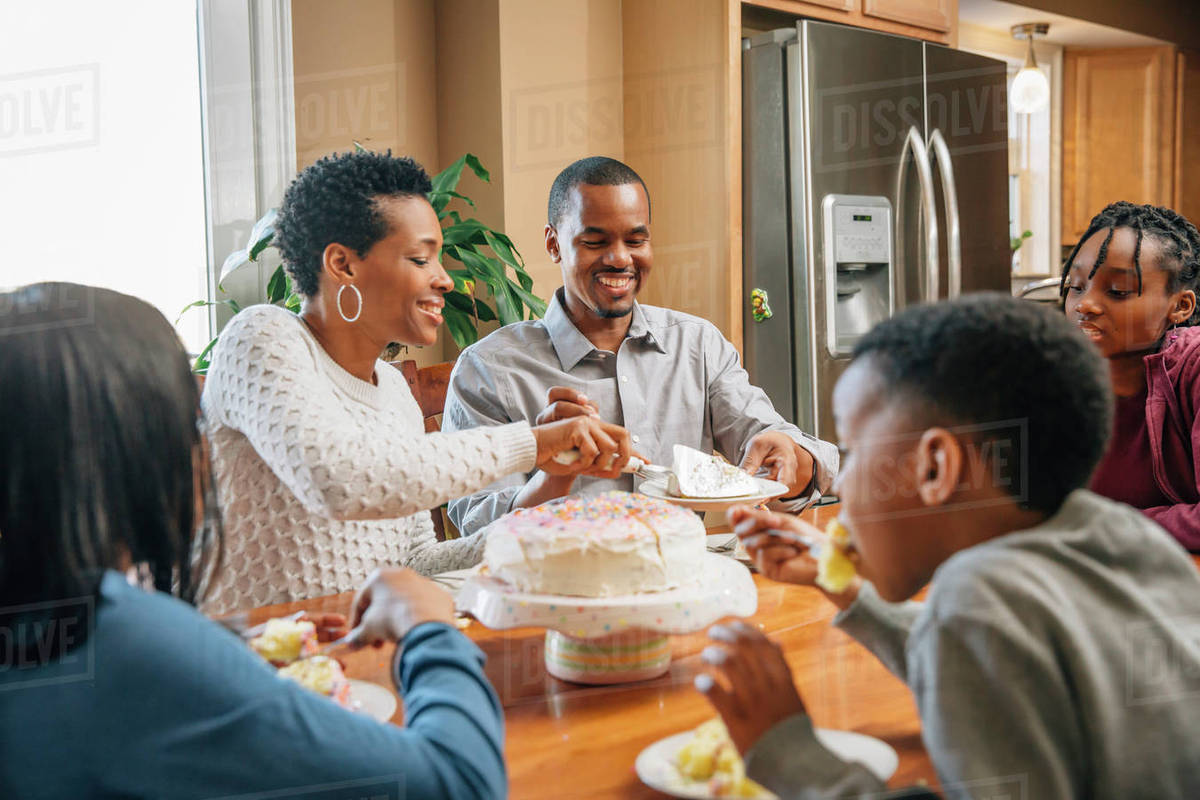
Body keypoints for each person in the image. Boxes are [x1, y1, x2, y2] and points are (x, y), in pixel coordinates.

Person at [0, 283, 508, 799]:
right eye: (191, 418)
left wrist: (222, 649)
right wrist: (430, 632)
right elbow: (459, 784)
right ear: (133, 450)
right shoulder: (126, 646)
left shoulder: (52, 627)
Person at [699, 295, 1200, 799]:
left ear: (936, 467)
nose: (844, 486)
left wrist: (791, 754)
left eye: (854, 451)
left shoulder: (976, 598)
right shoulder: (1128, 537)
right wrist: (850, 590)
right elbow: (1009, 674)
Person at [202, 151, 635, 613]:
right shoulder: (261, 337)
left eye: (439, 259)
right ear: (343, 265)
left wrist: (551, 483)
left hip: (361, 662)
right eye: (419, 258)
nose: (445, 279)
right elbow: (338, 480)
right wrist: (535, 442)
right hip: (257, 662)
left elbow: (416, 563)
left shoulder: (392, 392)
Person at [443, 156, 838, 534]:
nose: (620, 259)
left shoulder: (697, 346)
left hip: (685, 584)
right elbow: (479, 532)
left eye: (635, 240)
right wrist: (553, 474)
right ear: (553, 244)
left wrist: (791, 457)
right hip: (556, 594)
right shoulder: (488, 370)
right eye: (595, 242)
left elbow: (780, 450)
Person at [1059, 201, 1200, 550]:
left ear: (1180, 306)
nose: (1084, 305)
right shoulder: (1053, 378)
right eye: (1076, 287)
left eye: (1118, 291)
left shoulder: (1193, 368)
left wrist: (1105, 529)